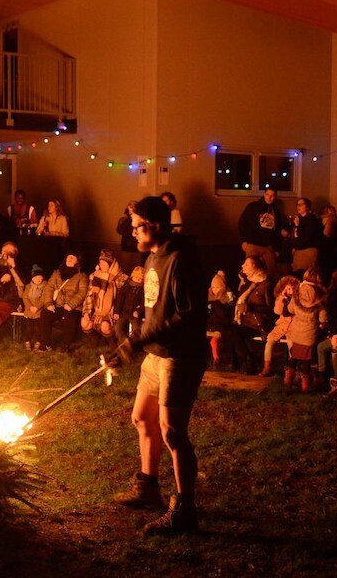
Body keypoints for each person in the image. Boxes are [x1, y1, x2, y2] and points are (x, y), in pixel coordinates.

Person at [112, 195, 207, 535]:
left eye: (138, 226)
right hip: (155, 353)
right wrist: (137, 340)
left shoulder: (181, 259)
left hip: (180, 355)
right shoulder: (153, 256)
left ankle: (184, 509)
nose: (133, 232)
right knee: (141, 417)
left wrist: (139, 340)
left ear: (153, 226)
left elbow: (187, 315)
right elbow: (157, 311)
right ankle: (148, 487)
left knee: (172, 431)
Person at [284, 268, 329, 392]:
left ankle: (287, 379)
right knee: (306, 360)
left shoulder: (297, 292)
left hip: (297, 332)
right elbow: (323, 317)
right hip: (309, 334)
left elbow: (290, 309)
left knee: (294, 357)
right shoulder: (319, 295)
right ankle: (305, 386)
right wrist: (323, 322)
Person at [230, 255, 273, 374]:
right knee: (231, 330)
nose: (242, 266)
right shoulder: (249, 283)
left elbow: (271, 308)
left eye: (247, 264)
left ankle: (249, 361)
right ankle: (248, 361)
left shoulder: (267, 284)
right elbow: (240, 301)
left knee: (234, 332)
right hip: (247, 321)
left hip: (259, 322)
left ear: (255, 267)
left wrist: (251, 307)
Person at [82, 249, 124, 361]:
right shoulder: (95, 276)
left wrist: (112, 313)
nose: (101, 265)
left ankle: (111, 342)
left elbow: (121, 299)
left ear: (111, 264)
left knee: (105, 326)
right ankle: (95, 339)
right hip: (96, 309)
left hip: (111, 311)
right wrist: (87, 312)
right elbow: (89, 295)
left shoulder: (119, 278)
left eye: (104, 263)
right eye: (100, 263)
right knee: (85, 323)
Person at [43, 251, 87, 351]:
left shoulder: (81, 275)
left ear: (77, 261)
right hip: (58, 304)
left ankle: (66, 344)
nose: (70, 259)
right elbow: (49, 287)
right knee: (45, 314)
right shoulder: (57, 273)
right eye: (69, 257)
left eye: (73, 257)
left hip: (73, 306)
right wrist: (49, 303)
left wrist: (71, 304)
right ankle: (46, 344)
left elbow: (82, 292)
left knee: (69, 316)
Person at [238, 188, 285, 273]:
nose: (269, 198)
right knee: (250, 271)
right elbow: (242, 223)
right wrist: (243, 241)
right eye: (267, 195)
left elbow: (277, 230)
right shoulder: (253, 207)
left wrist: (277, 248)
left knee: (271, 271)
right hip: (253, 244)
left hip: (268, 246)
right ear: (264, 195)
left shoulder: (275, 210)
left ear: (275, 197)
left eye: (272, 196)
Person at [285, 197, 322, 274]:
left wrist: (297, 225)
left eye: (301, 204)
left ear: (307, 206)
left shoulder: (311, 220)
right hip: (299, 251)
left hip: (307, 251)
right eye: (297, 204)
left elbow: (304, 237)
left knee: (305, 274)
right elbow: (295, 235)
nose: (298, 206)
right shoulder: (299, 219)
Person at [206, 271, 233, 369]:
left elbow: (224, 316)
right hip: (210, 327)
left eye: (217, 287)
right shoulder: (209, 299)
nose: (215, 290)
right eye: (213, 287)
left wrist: (216, 304)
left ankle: (216, 360)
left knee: (214, 341)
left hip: (221, 327)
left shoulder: (227, 298)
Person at [22, 265, 52, 351]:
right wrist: (30, 306)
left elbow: (44, 298)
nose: (38, 279)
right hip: (29, 310)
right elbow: (25, 297)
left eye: (40, 277)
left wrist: (37, 307)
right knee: (29, 327)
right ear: (32, 278)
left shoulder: (45, 286)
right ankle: (27, 340)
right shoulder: (28, 286)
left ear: (42, 278)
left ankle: (38, 341)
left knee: (37, 328)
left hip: (39, 311)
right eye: (35, 277)